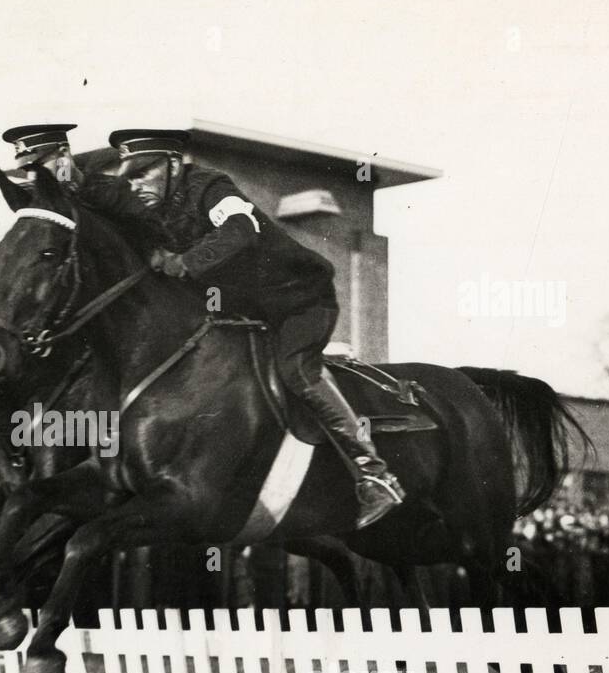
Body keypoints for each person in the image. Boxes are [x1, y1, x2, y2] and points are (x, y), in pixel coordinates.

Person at [106, 128, 404, 529]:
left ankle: (373, 472)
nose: (135, 184)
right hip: (249, 309)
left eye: (143, 172)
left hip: (301, 301)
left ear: (174, 165)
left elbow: (240, 231)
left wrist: (187, 263)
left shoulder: (210, 187)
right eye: (129, 177)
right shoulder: (154, 205)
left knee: (295, 369)